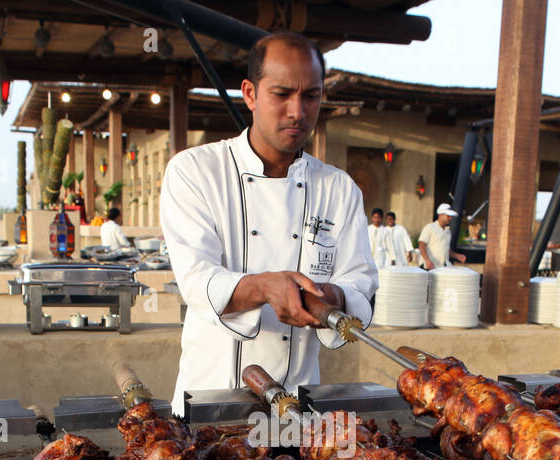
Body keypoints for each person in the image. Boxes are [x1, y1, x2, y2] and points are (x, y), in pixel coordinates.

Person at [159, 31, 376, 415]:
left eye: (311, 95)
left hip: (295, 409)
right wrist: (266, 287)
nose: (297, 111)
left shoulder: (339, 189)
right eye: (282, 94)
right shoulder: (195, 171)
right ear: (250, 93)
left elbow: (361, 281)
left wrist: (334, 297)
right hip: (209, 406)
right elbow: (197, 281)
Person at [418, 204, 466, 270]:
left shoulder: (448, 232)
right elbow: (421, 245)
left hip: (441, 267)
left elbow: (445, 250)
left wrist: (457, 256)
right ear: (441, 215)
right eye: (448, 216)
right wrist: (427, 260)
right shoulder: (430, 227)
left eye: (451, 216)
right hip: (428, 266)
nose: (450, 218)